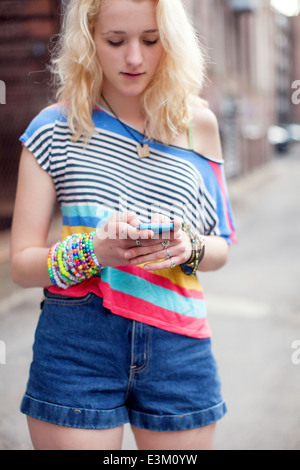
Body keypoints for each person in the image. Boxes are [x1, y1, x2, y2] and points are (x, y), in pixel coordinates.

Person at [10, 0, 236, 450]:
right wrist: (93, 252)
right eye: (116, 41)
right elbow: (20, 264)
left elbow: (222, 246)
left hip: (179, 344)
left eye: (151, 41)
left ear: (170, 43)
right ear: (89, 41)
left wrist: (186, 246)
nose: (134, 57)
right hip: (77, 344)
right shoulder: (55, 126)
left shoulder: (198, 126)